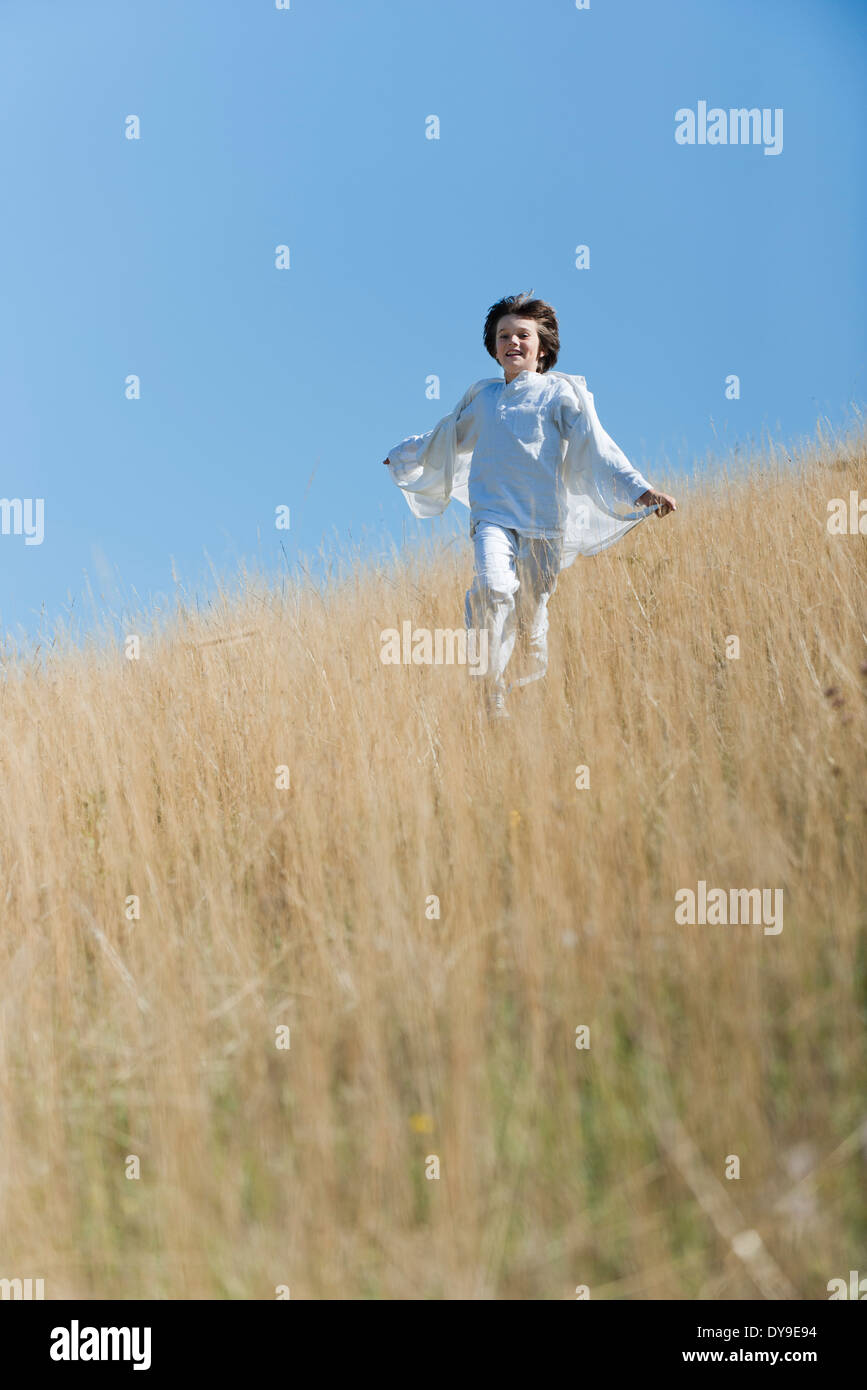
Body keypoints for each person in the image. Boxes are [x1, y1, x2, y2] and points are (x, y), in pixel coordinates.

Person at [383, 292, 677, 718]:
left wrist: (642, 491)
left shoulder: (560, 395)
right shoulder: (484, 399)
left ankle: (524, 678)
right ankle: (490, 691)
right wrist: (406, 454)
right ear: (493, 346)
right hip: (492, 518)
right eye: (504, 335)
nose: (513, 342)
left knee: (530, 610)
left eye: (523, 335)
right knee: (493, 589)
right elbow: (446, 437)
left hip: (544, 524)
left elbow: (599, 449)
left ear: (543, 348)